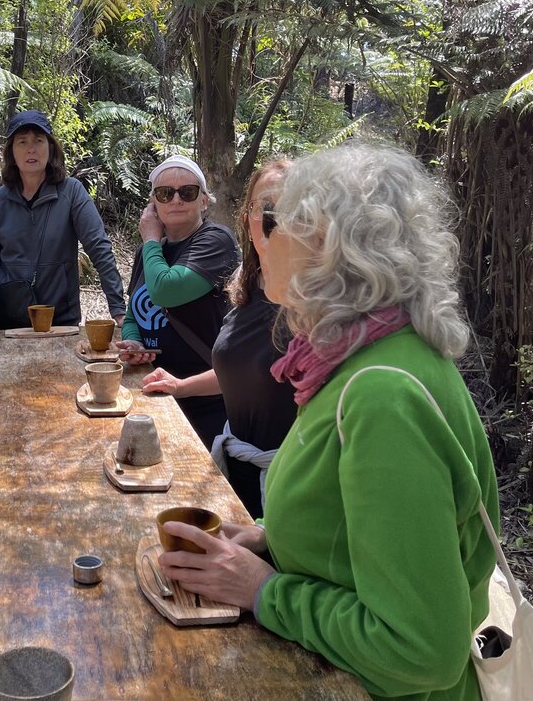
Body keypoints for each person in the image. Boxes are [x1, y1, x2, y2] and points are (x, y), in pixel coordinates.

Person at [157, 144, 499, 700]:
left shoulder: (381, 394)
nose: (260, 239)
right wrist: (273, 538)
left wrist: (265, 590)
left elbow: (423, 650)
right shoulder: (356, 358)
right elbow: (359, 523)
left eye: (275, 222)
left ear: (328, 246)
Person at [140, 158, 297, 516]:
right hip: (236, 464)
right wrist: (181, 386)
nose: (276, 220)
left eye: (292, 208)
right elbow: (240, 369)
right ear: (247, 217)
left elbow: (165, 290)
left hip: (286, 480)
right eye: (265, 208)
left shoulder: (320, 302)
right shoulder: (248, 282)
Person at [0, 110, 125, 334]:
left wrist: (119, 310)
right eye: (22, 142)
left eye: (38, 140)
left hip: (60, 318)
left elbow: (99, 249)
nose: (31, 148)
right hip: (7, 320)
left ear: (51, 148)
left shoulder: (72, 192)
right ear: (11, 152)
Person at [116, 155, 239, 449]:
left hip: (207, 400)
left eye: (187, 192)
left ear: (204, 201)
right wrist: (135, 343)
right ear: (153, 204)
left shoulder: (216, 241)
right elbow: (134, 313)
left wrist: (149, 240)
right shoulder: (147, 253)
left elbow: (166, 290)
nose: (176, 200)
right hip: (155, 391)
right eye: (164, 193)